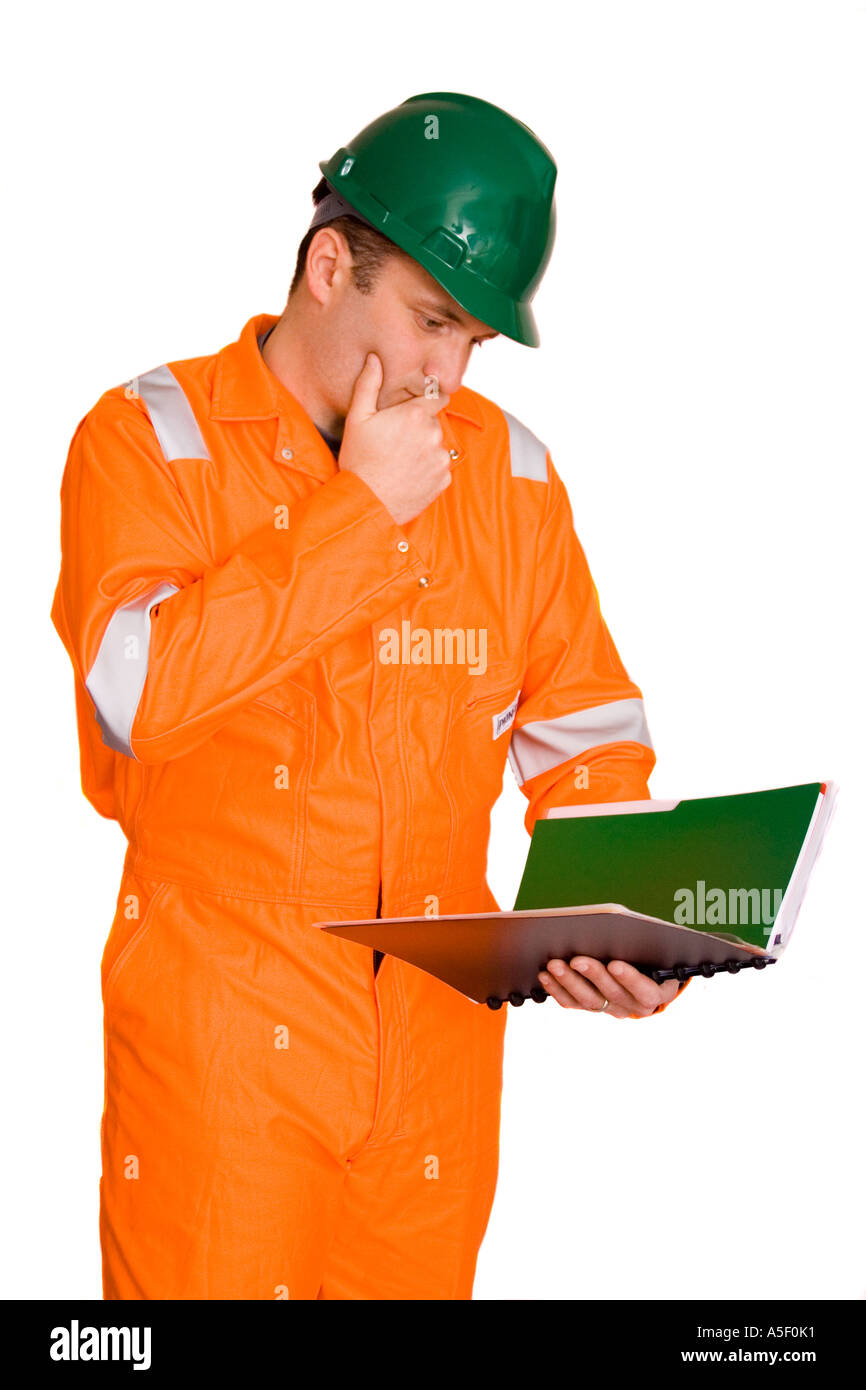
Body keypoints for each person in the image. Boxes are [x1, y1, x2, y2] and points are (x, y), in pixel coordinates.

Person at [50, 91, 687, 1302]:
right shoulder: (146, 442)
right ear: (328, 264)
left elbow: (585, 732)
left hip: (438, 1057)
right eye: (429, 322)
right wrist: (359, 516)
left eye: (471, 345)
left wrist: (614, 913)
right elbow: (144, 695)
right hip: (225, 1045)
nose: (445, 375)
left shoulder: (507, 475)